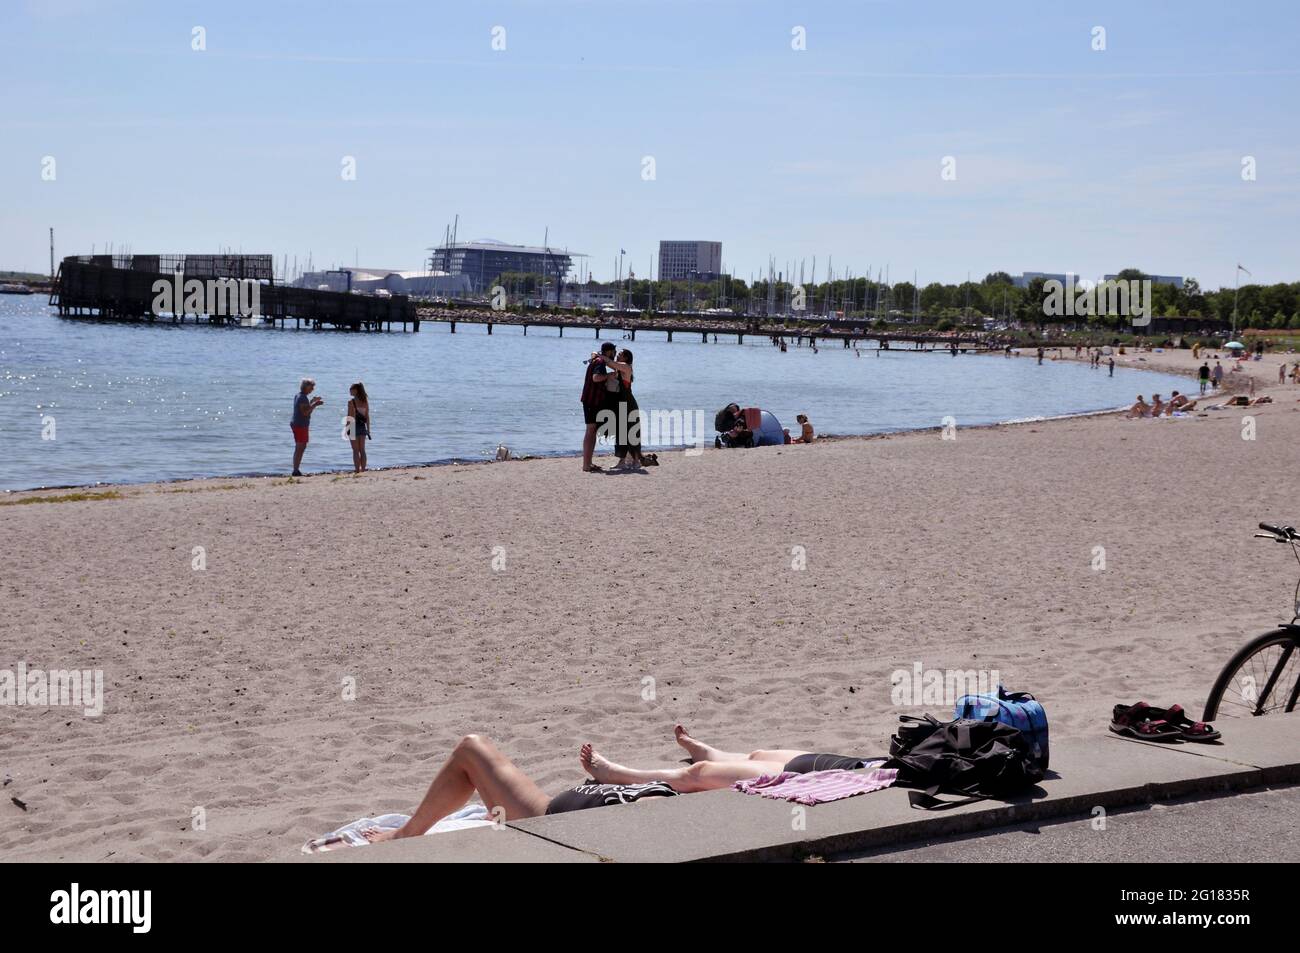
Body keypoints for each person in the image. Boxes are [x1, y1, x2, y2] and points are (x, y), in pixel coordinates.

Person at [359, 726, 878, 844]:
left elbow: (698, 775)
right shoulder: (754, 784)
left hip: (557, 817)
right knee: (757, 757)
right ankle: (407, 836)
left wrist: (614, 774)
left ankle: (407, 839)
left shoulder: (744, 788)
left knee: (472, 747)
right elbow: (757, 762)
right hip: (581, 809)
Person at [580, 343, 618, 472]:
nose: (615, 354)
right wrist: (609, 376)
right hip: (592, 400)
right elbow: (596, 378)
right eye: (614, 351)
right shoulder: (600, 362)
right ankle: (586, 464)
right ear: (608, 352)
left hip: (590, 400)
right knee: (591, 431)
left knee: (592, 431)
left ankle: (588, 463)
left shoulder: (597, 359)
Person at [610, 348, 645, 471]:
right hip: (621, 404)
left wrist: (599, 355)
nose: (617, 355)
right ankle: (622, 461)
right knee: (621, 433)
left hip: (629, 404)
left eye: (620, 354)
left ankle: (636, 461)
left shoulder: (626, 367)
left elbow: (611, 363)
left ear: (626, 358)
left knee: (631, 433)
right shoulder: (618, 368)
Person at [290, 377, 323, 476]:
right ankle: (295, 470)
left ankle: (296, 469)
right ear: (306, 387)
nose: (312, 389)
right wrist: (315, 405)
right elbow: (305, 412)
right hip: (300, 425)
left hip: (297, 424)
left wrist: (312, 401)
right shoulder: (302, 397)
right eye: (311, 387)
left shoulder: (299, 395)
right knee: (300, 447)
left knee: (300, 447)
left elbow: (304, 408)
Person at [347, 382, 370, 473]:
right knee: (362, 450)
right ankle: (363, 469)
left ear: (356, 390)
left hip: (353, 426)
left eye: (351, 389)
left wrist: (347, 428)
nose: (350, 391)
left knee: (355, 450)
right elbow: (367, 416)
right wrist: (368, 429)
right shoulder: (365, 401)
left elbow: (350, 416)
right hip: (362, 426)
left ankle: (357, 470)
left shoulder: (351, 402)